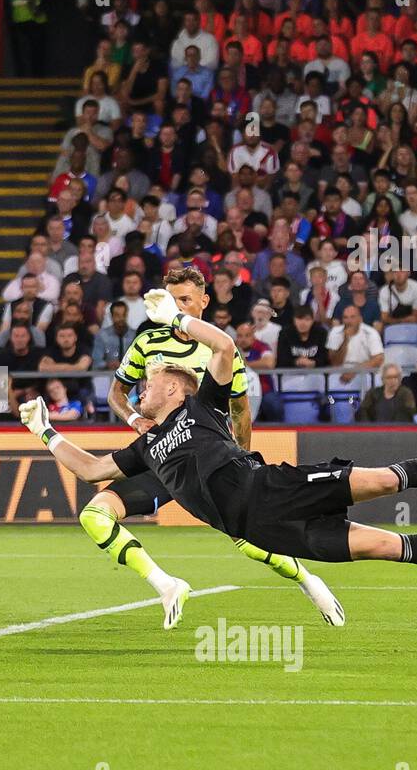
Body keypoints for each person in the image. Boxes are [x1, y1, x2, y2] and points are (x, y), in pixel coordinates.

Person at [21, 291, 417, 630]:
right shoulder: (145, 446)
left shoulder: (203, 406)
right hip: (271, 533)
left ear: (177, 390)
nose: (144, 383)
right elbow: (91, 470)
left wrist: (178, 318)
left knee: (389, 481)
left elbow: (224, 346)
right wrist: (44, 430)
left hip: (278, 490)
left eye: (153, 378)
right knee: (391, 547)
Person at [93, 262, 341, 623]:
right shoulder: (147, 342)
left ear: (204, 302)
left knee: (251, 544)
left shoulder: (221, 350)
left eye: (186, 300)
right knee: (95, 515)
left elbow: (240, 411)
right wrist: (134, 418)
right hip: (161, 460)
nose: (179, 308)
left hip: (209, 467)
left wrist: (244, 461)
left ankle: (307, 580)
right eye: (173, 300)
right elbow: (117, 392)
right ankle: (166, 585)